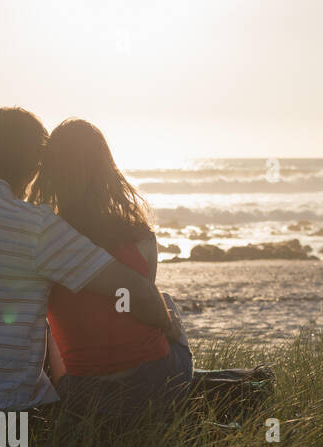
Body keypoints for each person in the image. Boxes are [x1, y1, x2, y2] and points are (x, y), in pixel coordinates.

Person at [0, 107, 178, 414]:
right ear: (35, 168)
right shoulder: (36, 228)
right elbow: (139, 292)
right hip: (5, 414)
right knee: (164, 309)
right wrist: (170, 329)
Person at [30, 118, 273, 420]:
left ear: (52, 174)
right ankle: (246, 383)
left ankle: (234, 386)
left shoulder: (41, 239)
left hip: (85, 397)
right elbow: (139, 307)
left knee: (51, 327)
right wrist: (169, 327)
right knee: (165, 303)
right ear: (105, 170)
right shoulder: (139, 235)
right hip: (156, 383)